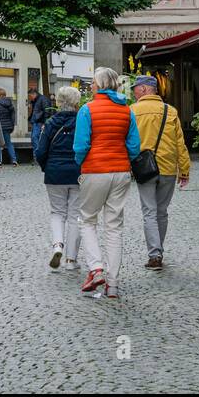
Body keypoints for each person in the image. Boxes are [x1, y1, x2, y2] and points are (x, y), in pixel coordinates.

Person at [72, 67, 139, 299]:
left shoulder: (86, 110)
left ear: (99, 85)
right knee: (114, 227)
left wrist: (83, 163)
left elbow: (80, 146)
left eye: (92, 83)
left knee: (87, 220)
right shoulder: (127, 111)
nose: (90, 86)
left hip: (95, 170)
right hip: (121, 172)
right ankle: (113, 284)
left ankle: (96, 268)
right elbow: (134, 147)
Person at [132, 75, 193, 270]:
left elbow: (129, 142)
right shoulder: (171, 111)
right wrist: (184, 169)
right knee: (162, 212)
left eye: (135, 88)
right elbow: (179, 143)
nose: (133, 92)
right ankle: (159, 251)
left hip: (144, 169)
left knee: (149, 212)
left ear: (144, 89)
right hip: (168, 168)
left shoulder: (132, 111)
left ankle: (155, 255)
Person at [35, 85, 83, 271]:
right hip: (78, 174)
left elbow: (40, 151)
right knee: (75, 215)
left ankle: (57, 246)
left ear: (59, 102)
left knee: (57, 213)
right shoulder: (82, 122)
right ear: (76, 103)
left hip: (55, 173)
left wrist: (46, 167)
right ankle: (71, 260)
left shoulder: (51, 123)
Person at [0, 87, 17, 166]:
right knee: (9, 143)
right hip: (7, 126)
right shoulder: (9, 103)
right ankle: (14, 160)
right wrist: (12, 125)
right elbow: (13, 116)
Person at [28, 87, 51, 151]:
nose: (30, 97)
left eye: (30, 96)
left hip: (40, 122)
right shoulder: (36, 100)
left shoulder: (43, 99)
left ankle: (38, 156)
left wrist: (45, 123)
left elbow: (47, 111)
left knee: (35, 138)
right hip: (36, 122)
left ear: (34, 94)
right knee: (34, 139)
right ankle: (36, 156)